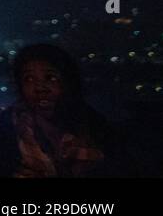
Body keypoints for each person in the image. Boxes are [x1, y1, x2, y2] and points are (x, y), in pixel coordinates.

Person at [9, 43, 119, 177]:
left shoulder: (96, 129)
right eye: (29, 79)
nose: (40, 88)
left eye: (50, 78)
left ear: (68, 82)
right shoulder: (6, 130)